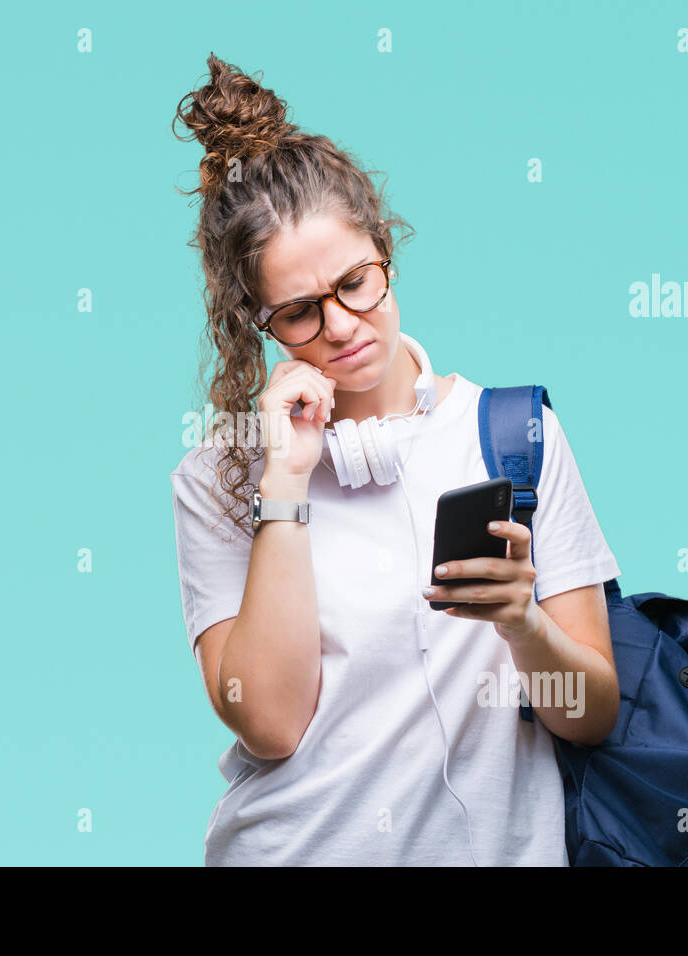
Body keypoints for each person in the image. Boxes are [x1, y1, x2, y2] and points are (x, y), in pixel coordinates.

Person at [169, 53, 622, 866]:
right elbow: (269, 722)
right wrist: (285, 483)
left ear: (387, 250)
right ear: (261, 324)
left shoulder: (515, 435)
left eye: (356, 283)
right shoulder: (223, 478)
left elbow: (590, 714)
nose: (341, 326)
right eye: (301, 312)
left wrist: (523, 626)